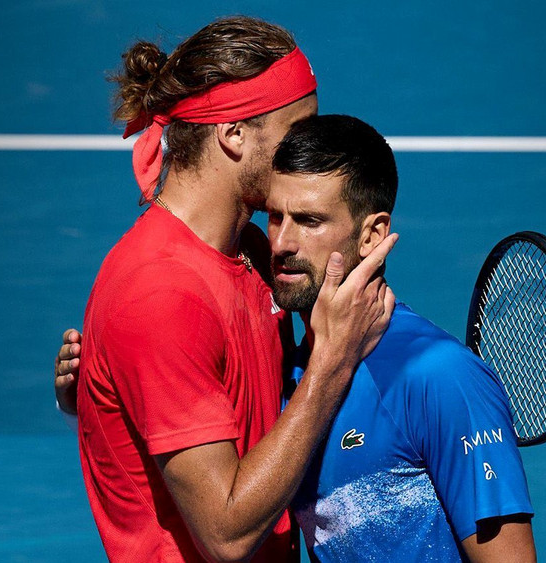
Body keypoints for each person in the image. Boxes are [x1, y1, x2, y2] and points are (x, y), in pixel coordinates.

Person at [59, 115, 537, 561]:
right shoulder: (293, 371)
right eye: (274, 215)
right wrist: (95, 389)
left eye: (310, 221)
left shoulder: (440, 378)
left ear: (372, 235)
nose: (282, 243)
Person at [71, 18, 398, 563]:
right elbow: (225, 535)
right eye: (297, 130)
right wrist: (331, 364)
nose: (309, 148)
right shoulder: (161, 294)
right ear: (234, 134)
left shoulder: (250, 248)